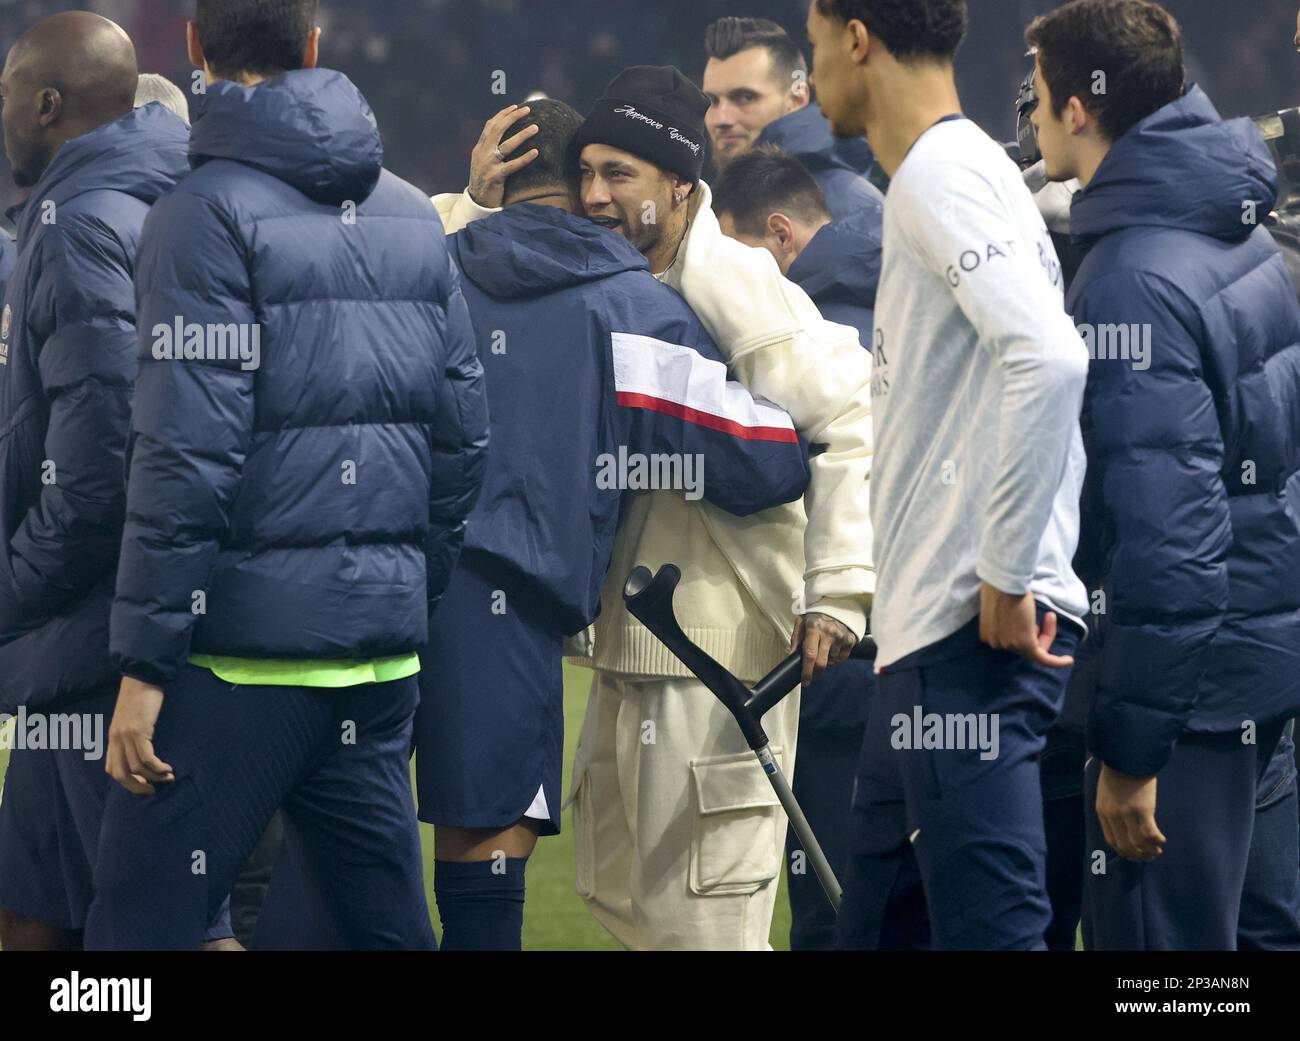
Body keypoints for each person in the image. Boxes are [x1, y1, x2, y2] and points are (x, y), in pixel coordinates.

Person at [82, 0, 488, 951]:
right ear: (313, 48)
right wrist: (396, 588)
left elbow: (187, 449)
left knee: (129, 941)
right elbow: (463, 434)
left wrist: (144, 663)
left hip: (237, 664)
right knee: (384, 933)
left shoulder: (197, 213)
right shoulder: (408, 211)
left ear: (192, 50)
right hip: (377, 663)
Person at [417, 98, 809, 950]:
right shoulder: (628, 306)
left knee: (332, 850)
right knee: (482, 858)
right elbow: (755, 460)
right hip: (500, 603)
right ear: (582, 183)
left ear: (499, 171)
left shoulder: (419, 265)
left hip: (352, 592)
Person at [808, 0, 1091, 950]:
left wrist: (1008, 571)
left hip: (966, 638)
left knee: (993, 933)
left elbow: (1048, 359)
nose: (811, 80)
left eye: (812, 47)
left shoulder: (939, 174)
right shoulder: (953, 170)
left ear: (856, 38)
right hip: (928, 639)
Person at [1027, 0, 1300, 950]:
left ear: (1076, 108)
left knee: (1164, 970)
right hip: (1253, 670)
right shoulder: (1237, 227)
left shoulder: (1131, 274)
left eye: (1034, 96)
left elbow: (1170, 538)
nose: (1027, 118)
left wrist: (1135, 748)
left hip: (1188, 696)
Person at [0, 11, 228, 953]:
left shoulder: (82, 223)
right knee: (33, 905)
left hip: (101, 631)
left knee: (155, 923)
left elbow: (99, 471)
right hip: (85, 636)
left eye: (8, 86)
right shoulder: (158, 198)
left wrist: (11, 586)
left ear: (48, 103)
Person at [712, 144, 886, 950]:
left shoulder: (819, 323)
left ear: (780, 235)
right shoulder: (894, 289)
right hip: (907, 646)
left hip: (842, 657)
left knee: (831, 907)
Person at [703, 16, 887, 209]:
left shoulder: (852, 205)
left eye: (746, 97)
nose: (721, 118)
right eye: (712, 101)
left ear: (797, 99)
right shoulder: (712, 203)